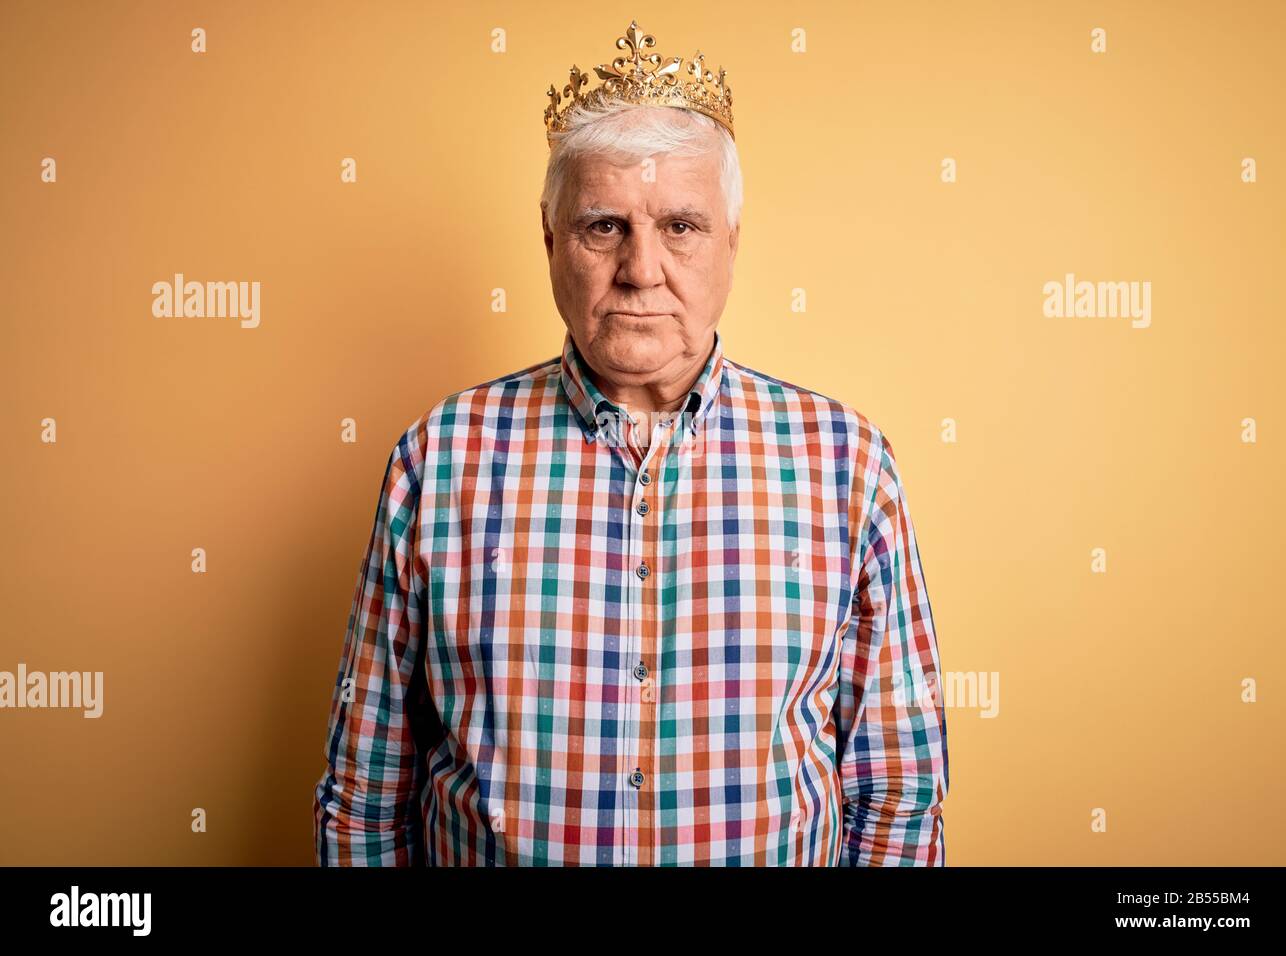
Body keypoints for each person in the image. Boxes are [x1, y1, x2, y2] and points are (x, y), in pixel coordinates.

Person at [312, 19, 948, 866]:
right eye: (603, 226)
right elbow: (365, 793)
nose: (642, 268)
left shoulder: (848, 463)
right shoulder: (439, 460)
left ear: (732, 243)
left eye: (681, 226)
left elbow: (897, 791)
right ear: (549, 242)